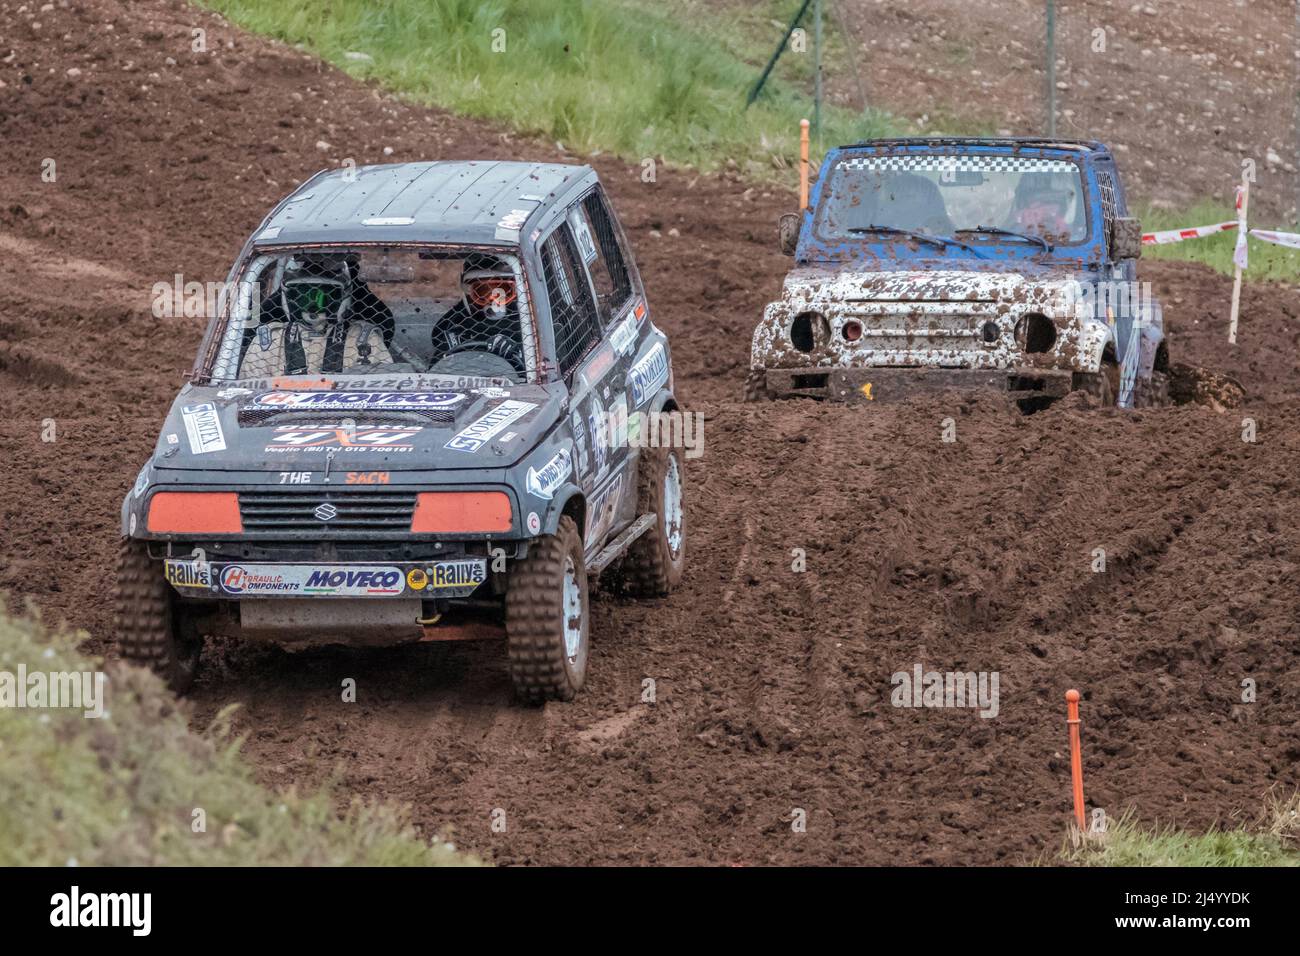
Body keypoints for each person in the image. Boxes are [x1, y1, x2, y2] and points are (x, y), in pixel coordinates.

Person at [240, 254, 395, 376]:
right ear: (288, 296)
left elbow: (386, 394)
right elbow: (247, 397)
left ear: (343, 296)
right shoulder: (267, 342)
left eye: (324, 297)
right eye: (304, 296)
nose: (313, 306)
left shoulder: (365, 341)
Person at [430, 257, 525, 375]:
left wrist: (520, 355)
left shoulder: (530, 328)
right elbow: (435, 371)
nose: (493, 300)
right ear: (468, 293)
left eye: (502, 292)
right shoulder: (452, 329)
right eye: (484, 292)